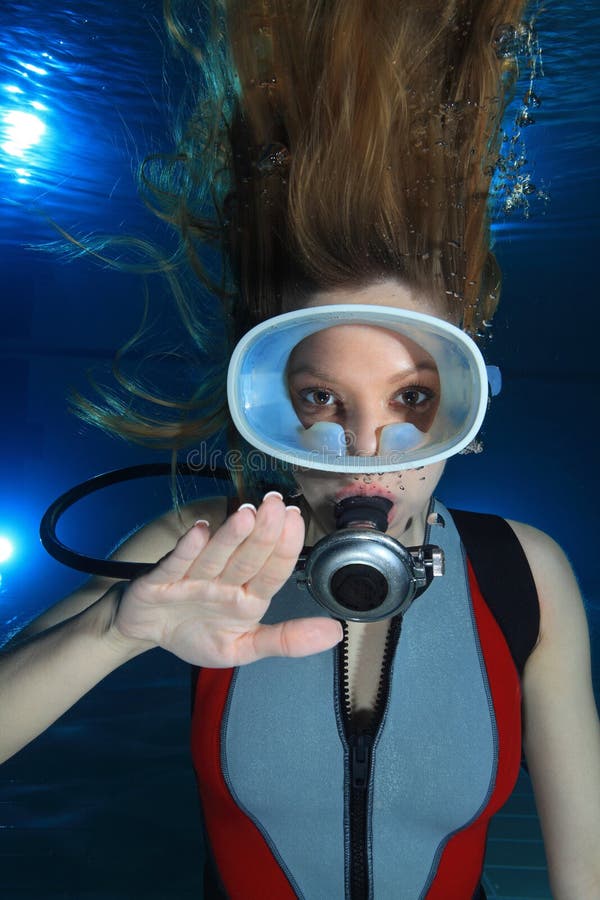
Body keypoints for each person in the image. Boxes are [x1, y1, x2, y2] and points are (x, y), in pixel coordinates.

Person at [1, 1, 599, 898]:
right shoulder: (196, 546)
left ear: (468, 413)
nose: (367, 455)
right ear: (268, 404)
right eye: (322, 400)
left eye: (413, 400)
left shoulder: (525, 573)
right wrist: (111, 633)